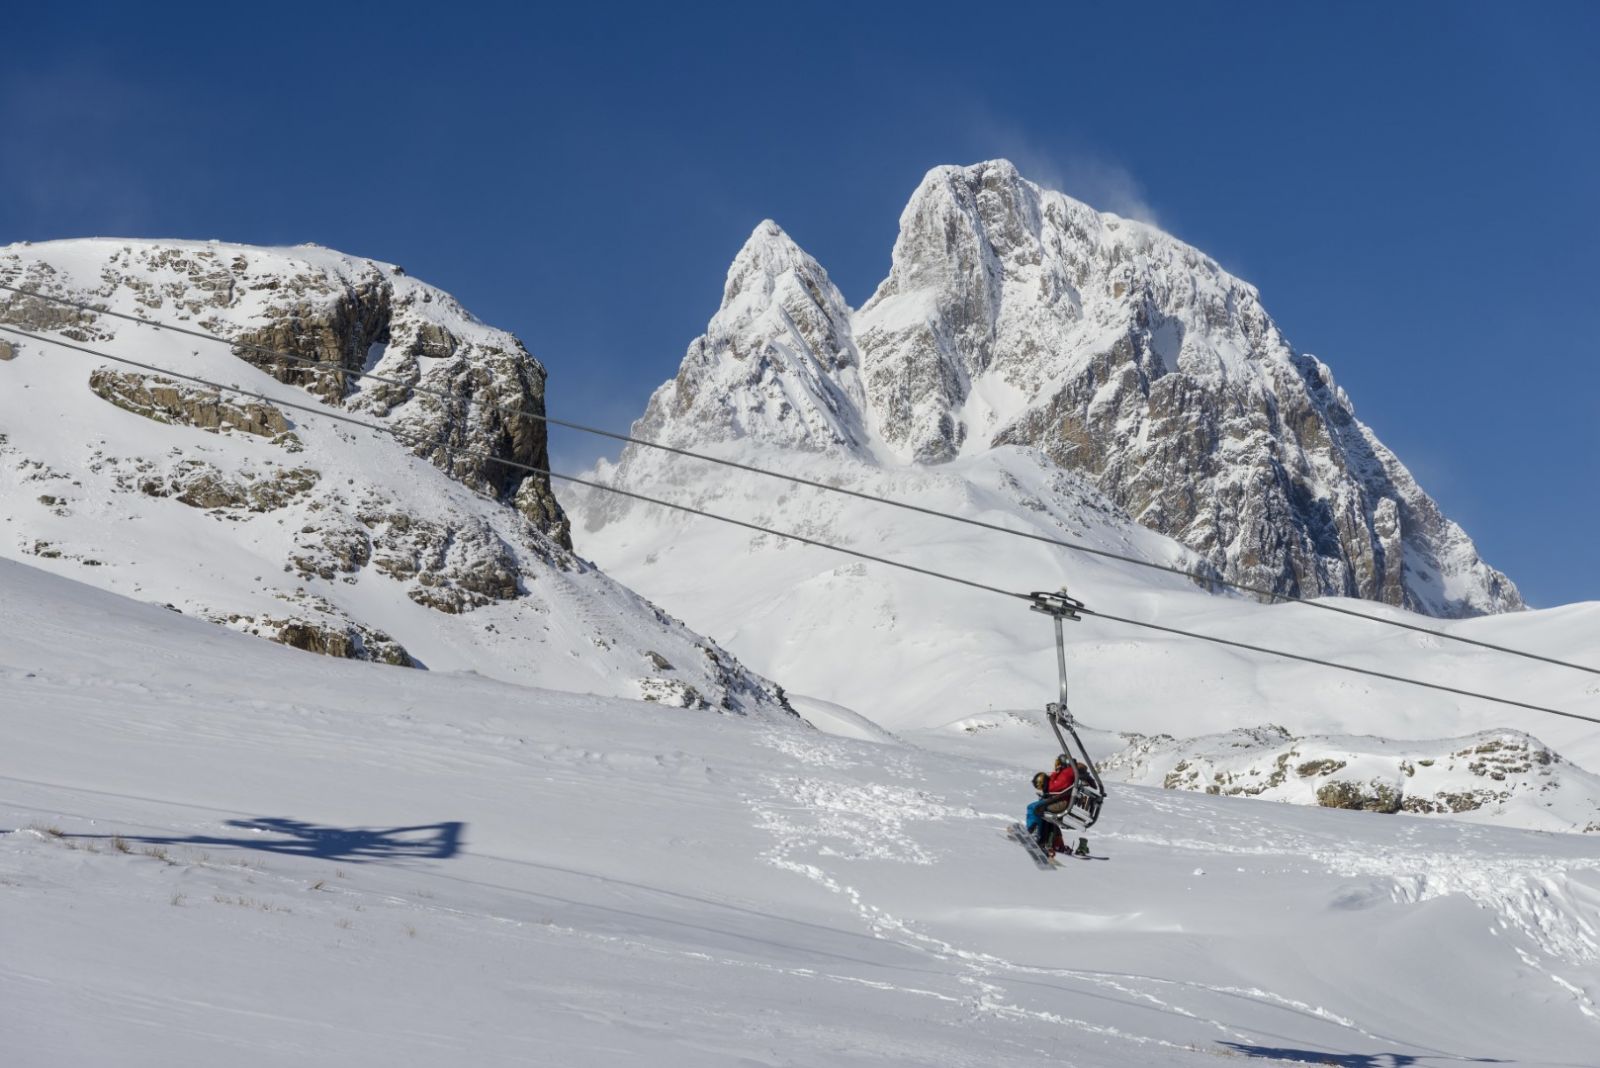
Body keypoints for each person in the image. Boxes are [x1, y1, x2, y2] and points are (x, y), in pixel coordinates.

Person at [1024, 769, 1068, 855]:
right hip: (1061, 802)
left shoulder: (1054, 782)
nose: (1040, 789)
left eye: (1039, 786)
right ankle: (1054, 843)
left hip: (1059, 802)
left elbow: (1057, 787)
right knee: (1047, 817)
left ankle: (1033, 832)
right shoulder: (1056, 778)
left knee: (1032, 808)